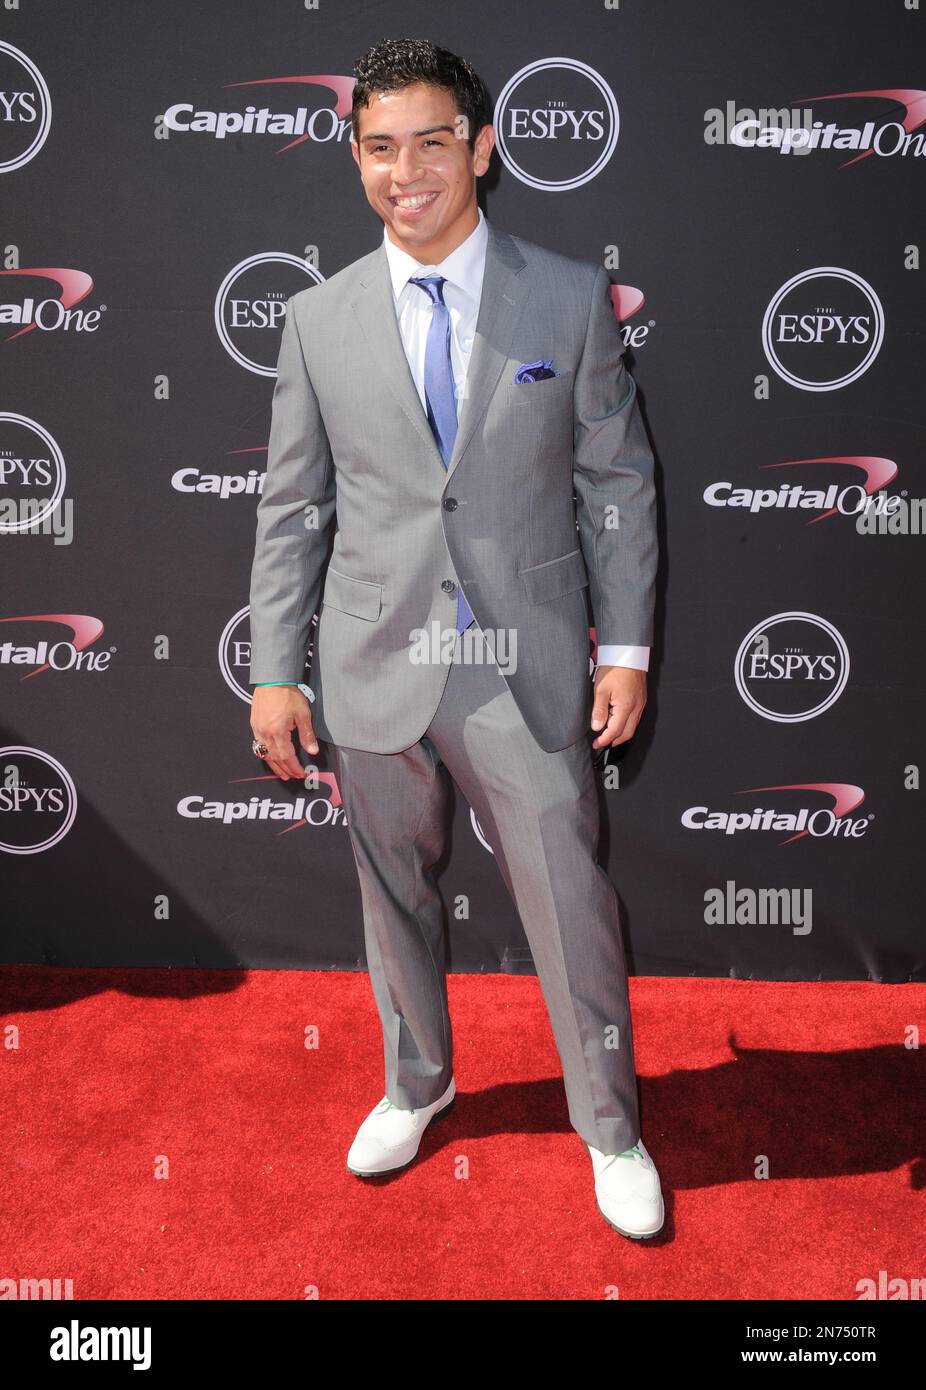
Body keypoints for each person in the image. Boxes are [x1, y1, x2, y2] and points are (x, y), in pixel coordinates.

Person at [247, 37, 662, 1239]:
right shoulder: (317, 319)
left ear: (481, 147)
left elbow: (617, 484)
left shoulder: (567, 296)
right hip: (372, 655)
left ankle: (610, 1125)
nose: (405, 170)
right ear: (357, 160)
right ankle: (415, 1084)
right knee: (393, 898)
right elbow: (293, 504)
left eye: (431, 140)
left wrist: (623, 649)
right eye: (379, 147)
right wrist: (277, 667)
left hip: (519, 664)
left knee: (568, 897)